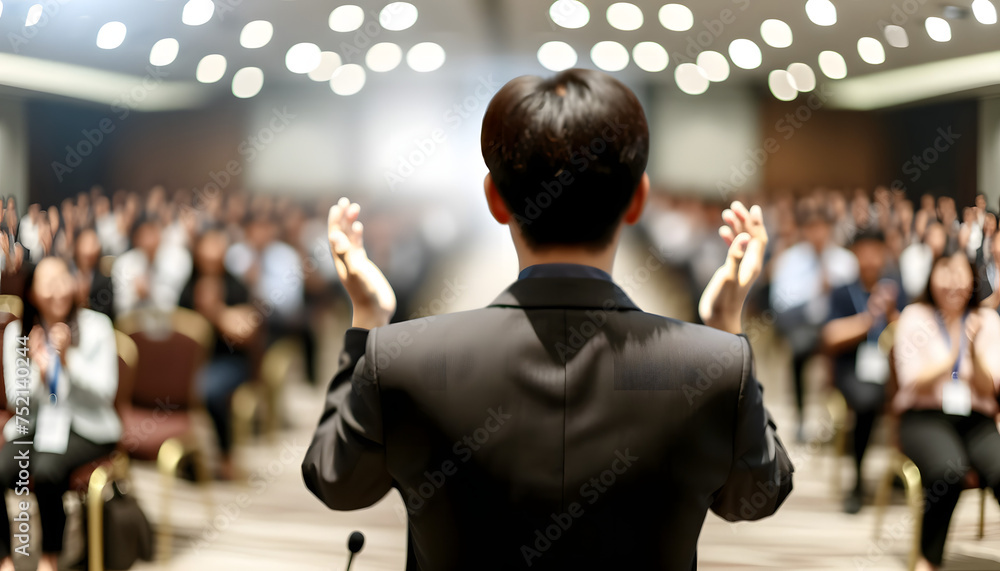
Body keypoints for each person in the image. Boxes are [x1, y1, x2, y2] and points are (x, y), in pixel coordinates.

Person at [302, 69, 793, 570]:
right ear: (637, 200)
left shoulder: (400, 359)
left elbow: (336, 482)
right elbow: (760, 491)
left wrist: (367, 319)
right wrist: (728, 324)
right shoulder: (715, 365)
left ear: (495, 198)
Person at [0, 257, 120, 571]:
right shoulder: (18, 333)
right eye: (47, 283)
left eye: (62, 280)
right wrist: (39, 374)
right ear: (32, 292)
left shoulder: (97, 326)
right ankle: (7, 559)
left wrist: (67, 362)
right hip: (38, 423)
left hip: (87, 425)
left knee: (47, 469)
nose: (57, 291)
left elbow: (105, 393)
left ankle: (50, 558)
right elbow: (18, 402)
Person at [892, 251, 1000, 571]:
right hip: (924, 417)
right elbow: (913, 382)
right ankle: (929, 558)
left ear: (973, 278)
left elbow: (988, 388)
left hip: (976, 419)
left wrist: (975, 353)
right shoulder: (915, 316)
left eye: (960, 273)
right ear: (930, 276)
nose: (952, 282)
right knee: (948, 470)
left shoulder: (988, 320)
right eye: (944, 271)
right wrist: (954, 351)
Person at [820, 230, 904, 514]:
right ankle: (856, 481)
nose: (870, 258)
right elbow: (830, 337)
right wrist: (869, 318)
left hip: (891, 373)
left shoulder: (896, 290)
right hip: (851, 371)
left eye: (876, 251)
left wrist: (891, 314)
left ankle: (899, 472)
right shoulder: (842, 291)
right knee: (867, 400)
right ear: (854, 254)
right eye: (863, 251)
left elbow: (914, 333)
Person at [770, 199, 858, 441]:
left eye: (822, 227)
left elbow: (856, 300)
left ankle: (846, 418)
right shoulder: (791, 260)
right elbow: (780, 302)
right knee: (797, 351)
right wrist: (815, 289)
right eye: (812, 227)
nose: (817, 233)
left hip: (840, 325)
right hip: (806, 325)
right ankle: (800, 417)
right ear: (804, 230)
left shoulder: (845, 261)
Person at [179, 229, 259, 480]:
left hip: (230, 361)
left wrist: (215, 312)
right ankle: (189, 456)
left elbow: (247, 332)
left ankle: (225, 456)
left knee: (208, 390)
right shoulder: (188, 287)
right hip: (193, 362)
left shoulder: (235, 286)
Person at [72, 227, 115, 320]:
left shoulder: (105, 281)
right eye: (85, 243)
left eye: (93, 244)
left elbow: (107, 313)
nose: (88, 250)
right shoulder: (68, 274)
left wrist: (85, 301)